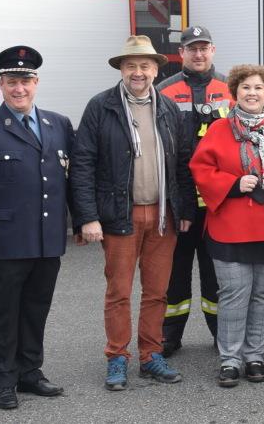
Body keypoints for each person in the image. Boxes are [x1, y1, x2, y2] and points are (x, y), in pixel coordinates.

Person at [69, 36, 191, 391]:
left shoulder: (168, 109)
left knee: (157, 292)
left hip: (162, 216)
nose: (138, 72)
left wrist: (183, 210)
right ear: (121, 69)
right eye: (131, 65)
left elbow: (181, 164)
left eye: (145, 65)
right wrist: (87, 216)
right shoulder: (101, 107)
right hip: (119, 215)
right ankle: (117, 357)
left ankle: (151, 355)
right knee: (119, 291)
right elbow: (82, 164)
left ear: (156, 69)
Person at [0, 46, 75, 410]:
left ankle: (29, 371)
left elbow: (71, 179)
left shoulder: (59, 124)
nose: (19, 88)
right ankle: (2, 380)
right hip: (6, 239)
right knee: (4, 311)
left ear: (36, 82)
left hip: (47, 238)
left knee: (37, 307)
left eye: (25, 80)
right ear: (0, 84)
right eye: (11, 82)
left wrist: (83, 220)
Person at [190, 64, 264, 387]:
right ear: (235, 93)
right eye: (245, 88)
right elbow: (200, 169)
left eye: (258, 88)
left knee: (263, 294)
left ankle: (255, 356)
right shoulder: (218, 130)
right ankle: (230, 359)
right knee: (233, 295)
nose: (252, 93)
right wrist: (233, 184)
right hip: (230, 229)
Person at [157, 25, 233, 356]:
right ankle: (170, 336)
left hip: (220, 200)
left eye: (204, 48)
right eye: (192, 48)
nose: (199, 54)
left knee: (217, 273)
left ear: (213, 51)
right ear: (182, 54)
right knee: (175, 272)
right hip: (179, 199)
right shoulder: (164, 91)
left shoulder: (231, 88)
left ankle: (221, 335)